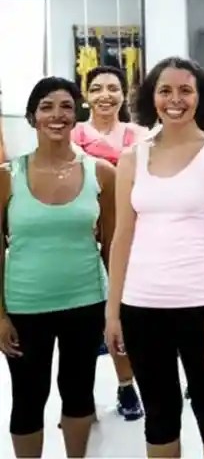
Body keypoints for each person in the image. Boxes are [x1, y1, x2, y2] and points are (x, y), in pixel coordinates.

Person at [104, 56, 204, 457]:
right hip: (142, 306)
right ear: (152, 97)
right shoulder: (133, 157)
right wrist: (113, 310)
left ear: (200, 97)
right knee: (160, 415)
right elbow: (121, 238)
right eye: (165, 90)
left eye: (186, 90)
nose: (175, 99)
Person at [0, 77, 116, 457]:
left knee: (79, 392)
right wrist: (0, 314)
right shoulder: (6, 176)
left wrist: (114, 311)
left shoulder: (101, 174)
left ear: (77, 113)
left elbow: (111, 249)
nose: (57, 115)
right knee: (28, 397)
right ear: (32, 117)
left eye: (66, 106)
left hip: (85, 300)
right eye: (47, 106)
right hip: (25, 305)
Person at [67, 65, 145, 421]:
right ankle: (78, 398)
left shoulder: (139, 136)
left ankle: (126, 385)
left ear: (124, 94)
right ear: (86, 95)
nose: (105, 95)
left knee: (123, 316)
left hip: (130, 236)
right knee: (80, 322)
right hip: (80, 239)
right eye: (96, 88)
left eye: (113, 88)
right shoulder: (72, 134)